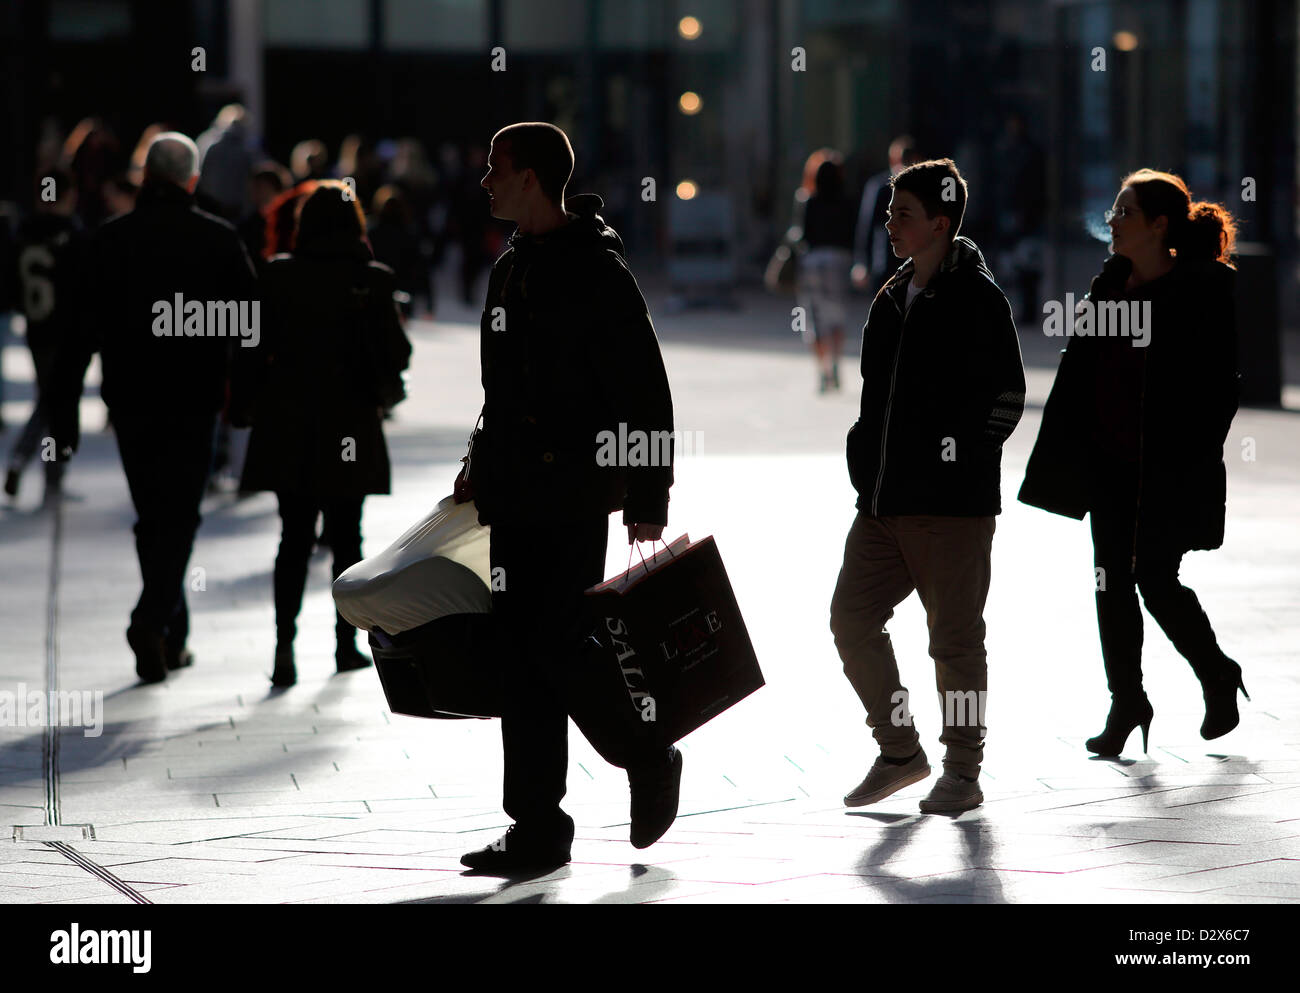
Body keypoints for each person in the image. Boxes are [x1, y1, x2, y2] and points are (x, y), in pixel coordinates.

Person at [455, 122, 680, 873]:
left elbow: (644, 390)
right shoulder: (509, 268)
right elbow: (498, 390)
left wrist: (649, 491)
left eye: (497, 168)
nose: (485, 181)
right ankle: (537, 827)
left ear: (532, 178)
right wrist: (478, 461)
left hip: (573, 493)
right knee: (521, 663)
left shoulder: (596, 270)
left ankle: (647, 753)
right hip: (513, 494)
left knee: (562, 649)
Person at [1019, 169, 1242, 755]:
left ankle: (1217, 673)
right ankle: (1127, 702)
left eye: (1124, 212)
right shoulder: (1110, 285)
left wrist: (1193, 451)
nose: (1112, 221)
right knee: (1111, 583)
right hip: (1109, 465)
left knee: (1155, 579)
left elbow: (1221, 386)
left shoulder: (1200, 290)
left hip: (1167, 468)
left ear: (1158, 225)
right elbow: (1080, 373)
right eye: (1113, 212)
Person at [830, 158, 1025, 814]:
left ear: (940, 223)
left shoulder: (976, 299)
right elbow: (874, 400)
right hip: (882, 503)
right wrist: (865, 460)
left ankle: (962, 771)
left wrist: (957, 461)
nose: (889, 222)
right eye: (890, 211)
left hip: (950, 509)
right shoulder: (892, 296)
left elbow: (1007, 398)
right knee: (851, 619)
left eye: (903, 213)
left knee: (955, 642)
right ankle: (899, 751)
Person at [52, 132, 258, 684]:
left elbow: (76, 336)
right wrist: (245, 400)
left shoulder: (110, 240)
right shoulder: (218, 239)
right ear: (193, 180)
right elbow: (251, 326)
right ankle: (152, 621)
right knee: (180, 516)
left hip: (132, 401)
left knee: (154, 517)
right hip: (194, 400)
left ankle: (168, 635)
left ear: (145, 176)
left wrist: (63, 417)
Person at [231, 181, 411, 688]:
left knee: (293, 537)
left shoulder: (277, 275)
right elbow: (397, 354)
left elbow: (249, 348)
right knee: (347, 537)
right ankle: (344, 644)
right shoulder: (372, 280)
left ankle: (283, 648)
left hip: (288, 426)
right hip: (350, 425)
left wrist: (242, 406)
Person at [5, 167, 86, 506]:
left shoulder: (24, 230)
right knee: (55, 402)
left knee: (49, 399)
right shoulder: (72, 232)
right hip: (64, 330)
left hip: (36, 328)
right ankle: (35, 466)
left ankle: (36, 467)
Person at [794, 153, 855, 393]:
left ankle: (822, 371)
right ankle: (836, 363)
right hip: (839, 261)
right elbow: (852, 233)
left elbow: (801, 235)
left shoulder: (807, 200)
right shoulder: (847, 202)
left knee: (814, 318)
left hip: (813, 262)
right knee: (836, 316)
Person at [851, 135, 918, 293]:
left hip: (890, 260)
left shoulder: (880, 187)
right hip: (890, 262)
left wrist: (862, 262)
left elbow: (866, 226)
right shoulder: (882, 188)